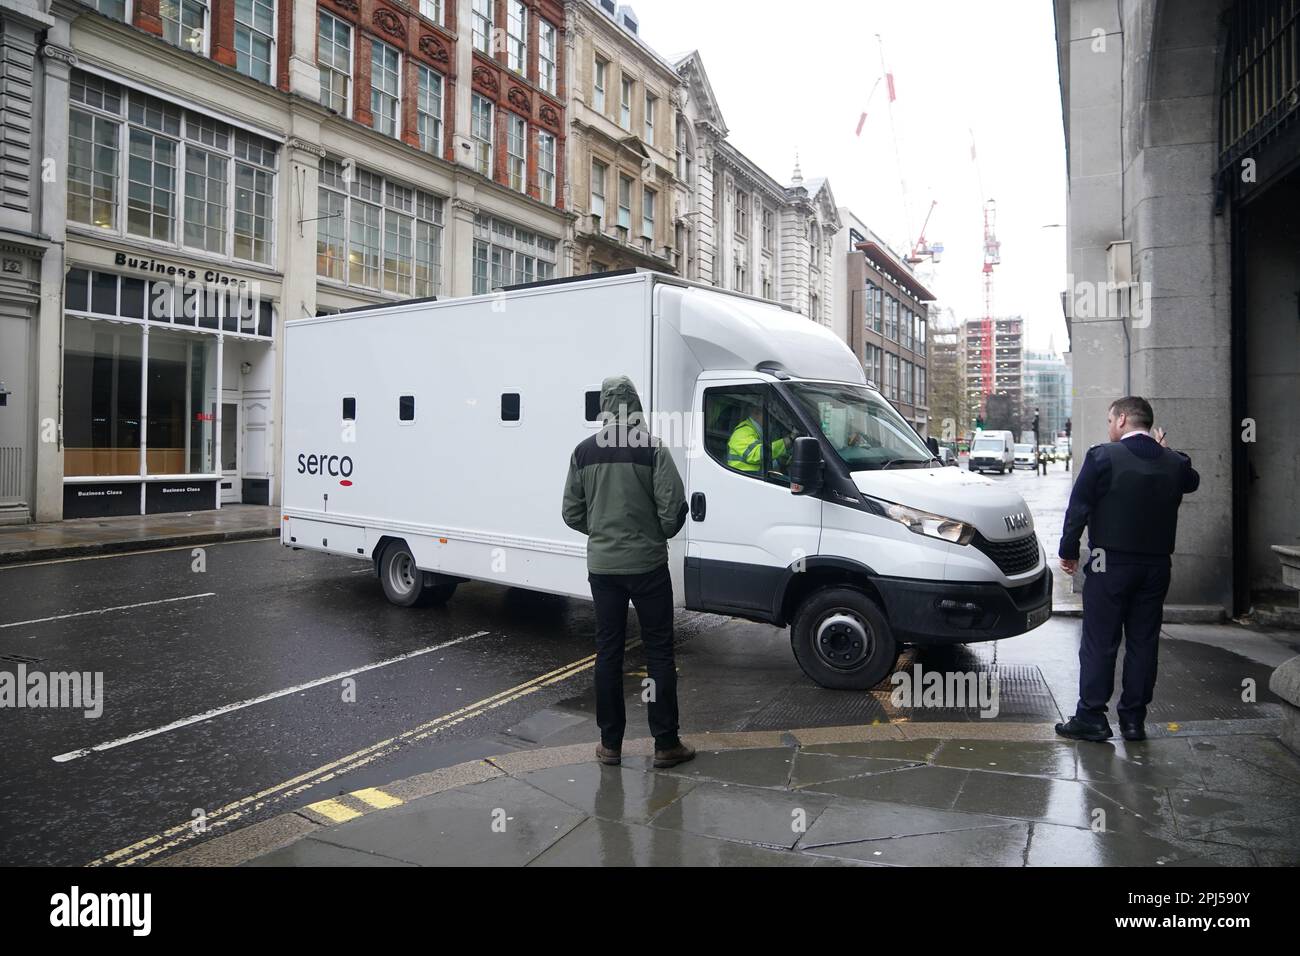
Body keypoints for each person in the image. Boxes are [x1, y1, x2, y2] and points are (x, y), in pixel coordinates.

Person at [562, 375, 694, 769]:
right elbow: (674, 509)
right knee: (658, 653)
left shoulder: (583, 451)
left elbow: (571, 512)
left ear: (604, 406)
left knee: (609, 653)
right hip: (648, 566)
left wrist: (603, 534)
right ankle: (666, 744)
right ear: (635, 404)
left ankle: (610, 745)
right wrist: (652, 534)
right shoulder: (652, 448)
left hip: (603, 569)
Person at [1056, 396, 1200, 743]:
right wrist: (1169, 452)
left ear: (1121, 419)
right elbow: (1191, 480)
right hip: (1155, 567)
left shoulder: (1103, 456)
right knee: (1143, 643)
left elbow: (1079, 507)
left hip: (1110, 563)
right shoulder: (1174, 463)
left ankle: (1091, 716)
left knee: (1100, 641)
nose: (1108, 428)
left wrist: (1069, 550)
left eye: (1109, 420)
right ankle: (1133, 721)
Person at [726, 399, 788, 473]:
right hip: (744, 479)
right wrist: (788, 440)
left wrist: (782, 459)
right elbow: (758, 454)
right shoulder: (742, 432)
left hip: (753, 478)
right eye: (769, 415)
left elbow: (767, 462)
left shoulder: (758, 431)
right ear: (756, 412)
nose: (773, 419)